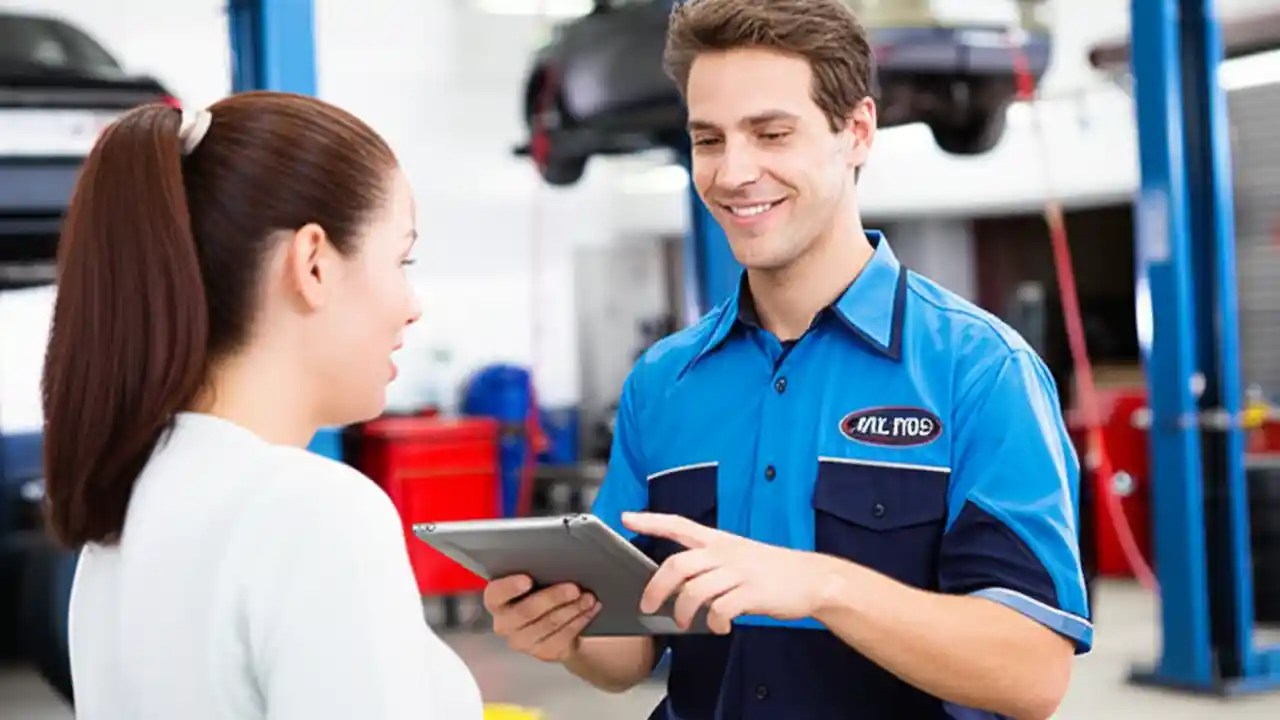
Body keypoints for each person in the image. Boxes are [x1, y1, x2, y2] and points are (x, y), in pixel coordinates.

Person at [482, 1, 1091, 719]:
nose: (734, 172)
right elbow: (630, 653)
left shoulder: (980, 372)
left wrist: (823, 588)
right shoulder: (664, 383)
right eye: (709, 140)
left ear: (856, 132)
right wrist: (566, 627)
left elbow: (1031, 674)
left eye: (771, 134)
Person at [42, 92, 484, 719]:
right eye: (401, 259)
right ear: (313, 264)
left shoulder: (123, 516)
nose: (413, 305)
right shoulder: (318, 512)